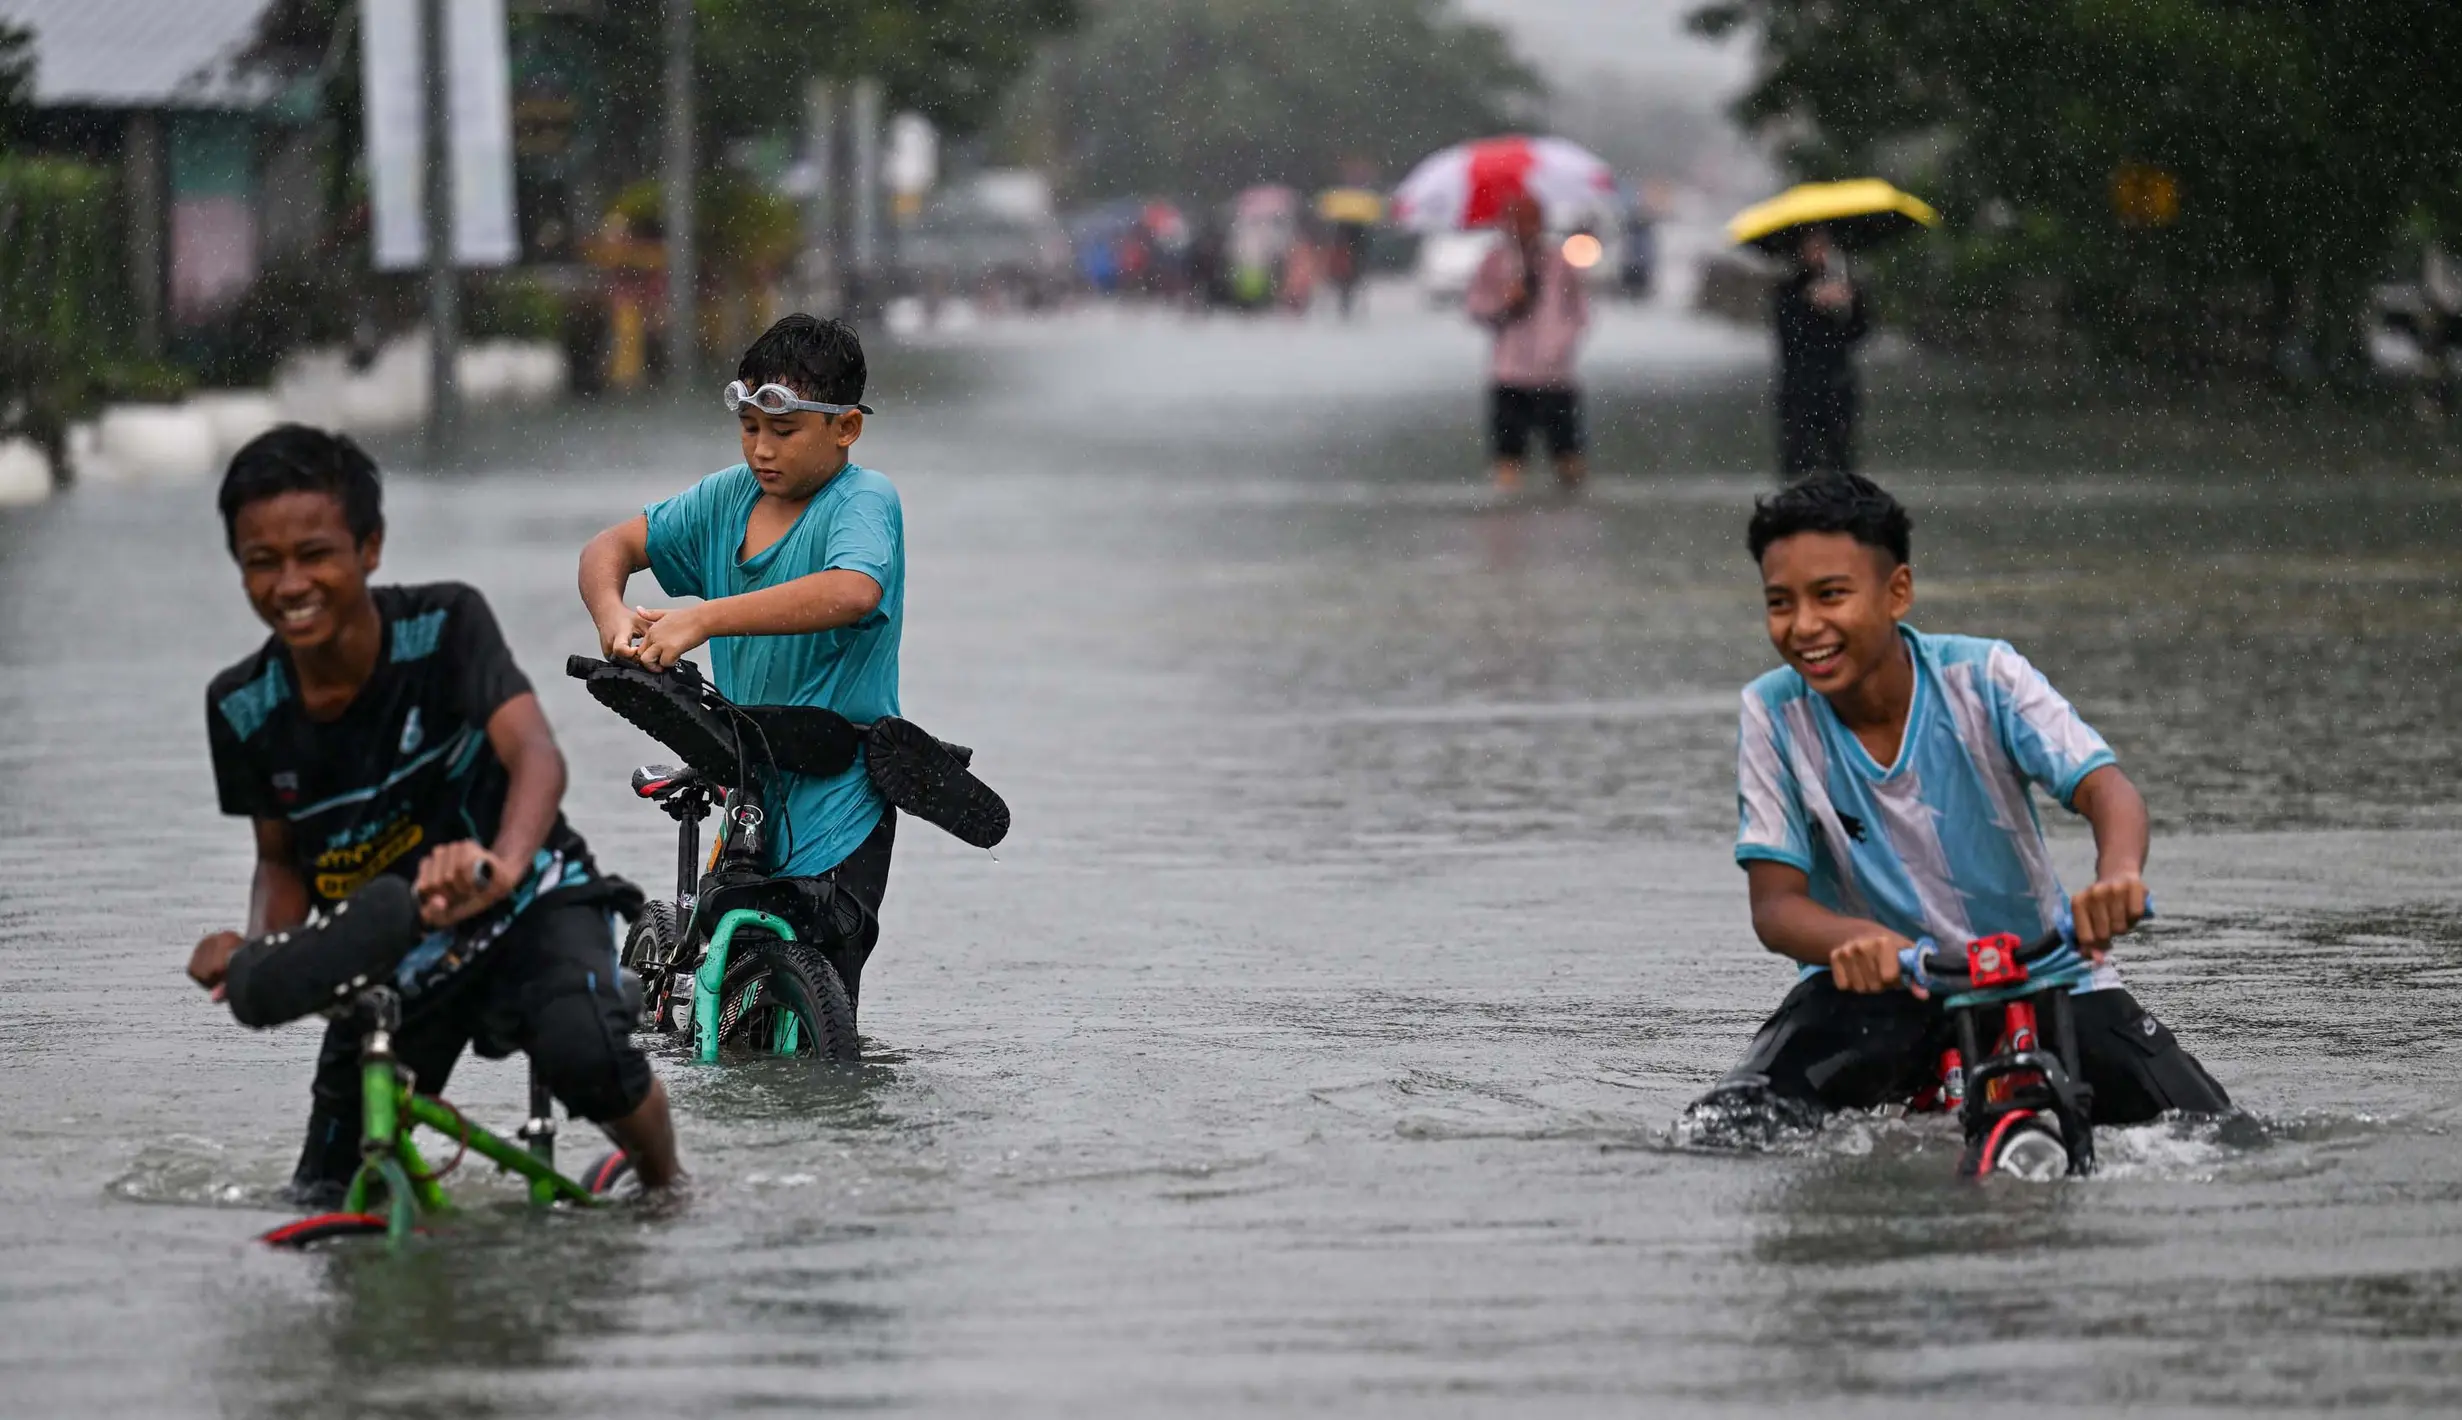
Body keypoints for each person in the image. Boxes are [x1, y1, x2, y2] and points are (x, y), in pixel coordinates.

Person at [185, 425, 682, 1203]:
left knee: (587, 1057)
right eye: (262, 562)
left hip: (530, 901)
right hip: (395, 944)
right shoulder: (240, 707)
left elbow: (536, 756)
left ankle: (668, 1187)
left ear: (369, 548)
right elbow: (280, 859)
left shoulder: (446, 624)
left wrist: (501, 865)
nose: (290, 584)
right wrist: (258, 953)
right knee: (324, 1196)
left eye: (314, 554)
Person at [1685, 474, 2230, 1133]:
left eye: (1830, 595)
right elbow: (1775, 907)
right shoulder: (1771, 713)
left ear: (1897, 592)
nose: (1803, 626)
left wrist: (2117, 876)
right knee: (1728, 1127)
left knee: (2218, 1135)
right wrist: (1857, 941)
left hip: (2045, 978)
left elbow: (2105, 788)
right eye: (1780, 603)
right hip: (1882, 991)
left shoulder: (1986, 677)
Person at [576, 314, 902, 1015]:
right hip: (753, 780)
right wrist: (612, 615)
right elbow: (609, 549)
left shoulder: (864, 501)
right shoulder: (726, 497)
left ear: (846, 428)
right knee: (723, 996)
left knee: (821, 1009)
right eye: (749, 428)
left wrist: (702, 617)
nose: (762, 449)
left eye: (783, 431)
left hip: (841, 796)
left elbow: (853, 590)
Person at [1465, 193, 1591, 492]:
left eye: (1529, 219)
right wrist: (1504, 303)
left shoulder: (1559, 261)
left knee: (1568, 457)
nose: (1522, 227)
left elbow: (1579, 312)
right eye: (1515, 219)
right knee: (1508, 459)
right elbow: (1476, 308)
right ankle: (1511, 513)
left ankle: (1569, 507)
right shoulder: (1494, 262)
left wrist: (1560, 343)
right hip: (1510, 372)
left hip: (1555, 375)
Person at [1773, 227, 1869, 478]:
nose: (1819, 253)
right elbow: (1788, 337)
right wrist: (1810, 303)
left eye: (1824, 246)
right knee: (1798, 462)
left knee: (1840, 460)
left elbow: (1859, 333)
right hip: (1799, 389)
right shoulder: (1788, 290)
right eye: (1813, 247)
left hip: (1837, 385)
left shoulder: (1843, 284)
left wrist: (1848, 304)